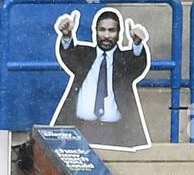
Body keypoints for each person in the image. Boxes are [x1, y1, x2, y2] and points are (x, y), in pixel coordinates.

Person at [50, 9, 152, 151]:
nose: (106, 35)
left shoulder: (124, 59)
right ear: (95, 31)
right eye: (102, 30)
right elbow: (68, 54)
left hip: (115, 132)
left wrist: (136, 44)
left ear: (119, 33)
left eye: (112, 31)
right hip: (80, 127)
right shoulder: (84, 54)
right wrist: (67, 36)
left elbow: (137, 63)